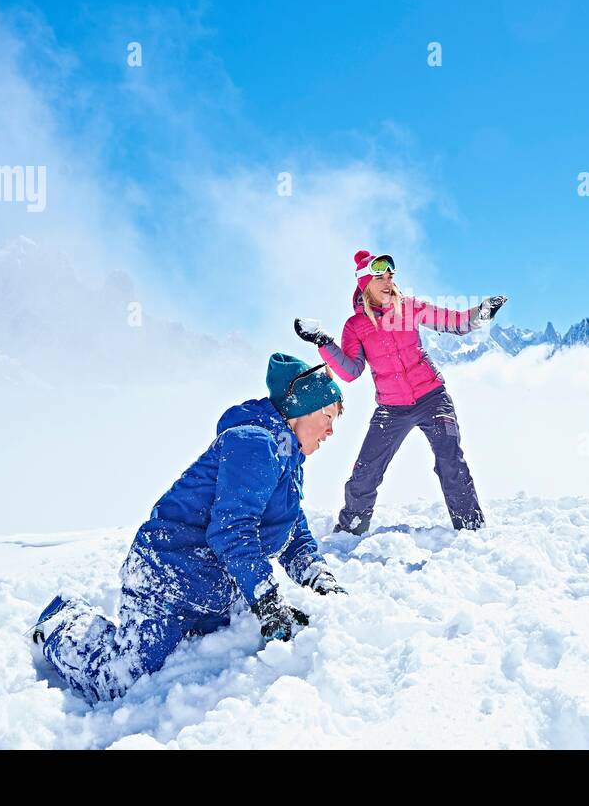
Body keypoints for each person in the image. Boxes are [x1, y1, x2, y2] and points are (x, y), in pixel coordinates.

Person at [29, 353, 347, 703]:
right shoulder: (254, 444)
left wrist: (318, 577)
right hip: (168, 577)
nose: (331, 431)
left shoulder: (287, 457)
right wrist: (268, 601)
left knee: (217, 651)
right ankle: (63, 621)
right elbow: (232, 530)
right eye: (328, 416)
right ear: (300, 410)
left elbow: (289, 528)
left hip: (213, 587)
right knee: (120, 682)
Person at [294, 249, 507, 534]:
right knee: (366, 471)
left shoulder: (409, 307)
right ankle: (350, 530)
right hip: (391, 408)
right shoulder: (355, 326)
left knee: (449, 459)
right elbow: (350, 371)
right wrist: (322, 341)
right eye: (379, 276)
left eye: (390, 275)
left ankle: (471, 529)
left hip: (432, 397)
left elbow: (455, 322)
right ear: (365, 283)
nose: (387, 281)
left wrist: (480, 314)